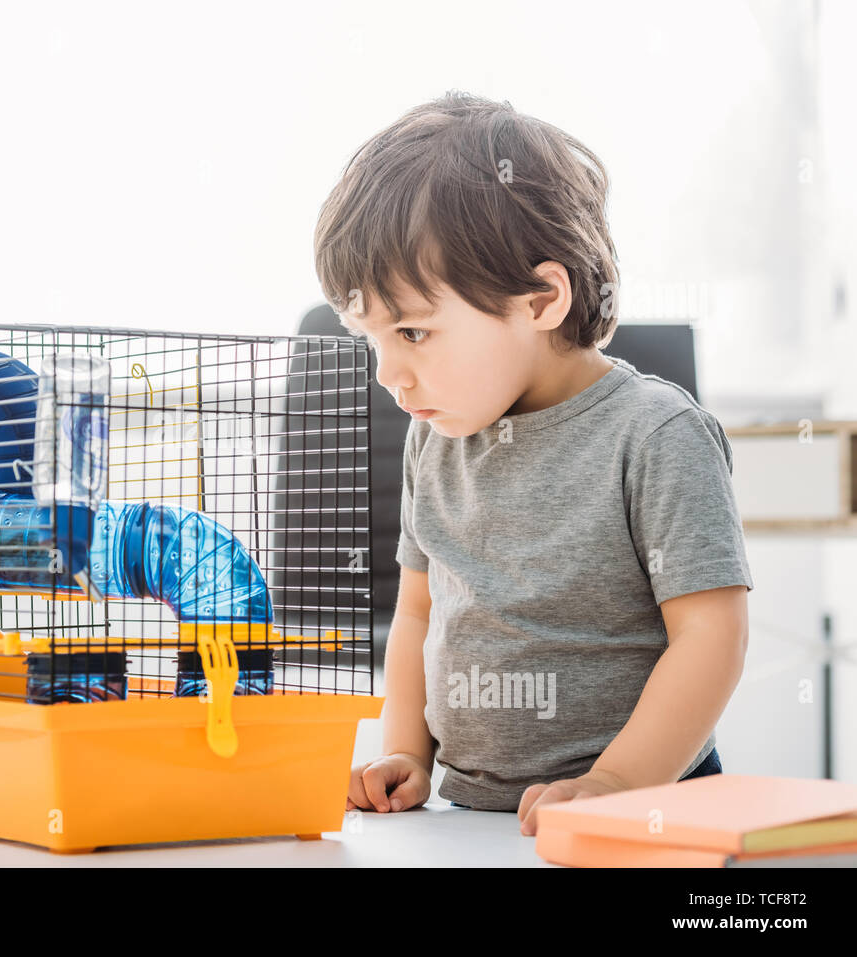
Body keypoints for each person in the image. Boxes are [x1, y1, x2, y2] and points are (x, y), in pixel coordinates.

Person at [317, 91, 753, 836]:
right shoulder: (435, 438)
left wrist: (617, 780)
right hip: (471, 818)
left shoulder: (657, 436)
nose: (388, 373)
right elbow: (418, 611)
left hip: (644, 810)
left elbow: (713, 635)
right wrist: (405, 751)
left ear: (543, 298)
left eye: (414, 332)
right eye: (371, 340)